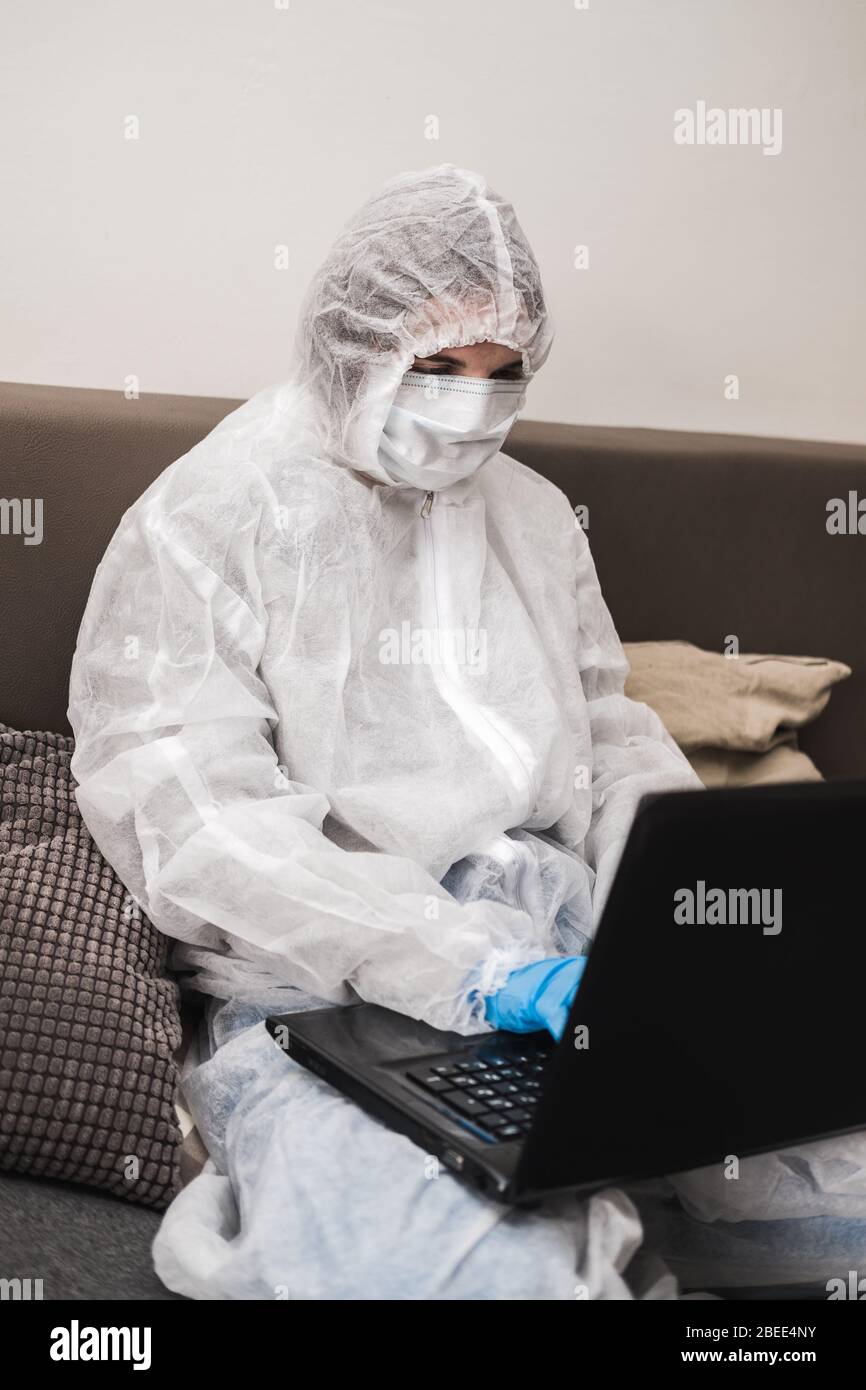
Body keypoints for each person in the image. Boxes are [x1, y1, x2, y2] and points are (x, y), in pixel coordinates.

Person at [68, 164, 700, 1048]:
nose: (473, 406)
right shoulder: (215, 514)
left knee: (797, 1144)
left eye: (503, 370)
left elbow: (610, 735)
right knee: (436, 1187)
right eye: (438, 366)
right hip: (328, 994)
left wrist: (688, 909)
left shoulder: (538, 517)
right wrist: (465, 970)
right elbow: (198, 816)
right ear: (352, 346)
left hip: (572, 946)